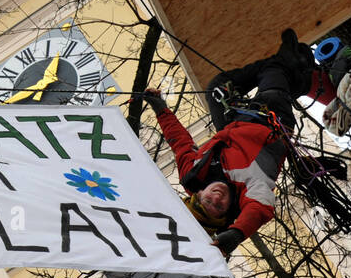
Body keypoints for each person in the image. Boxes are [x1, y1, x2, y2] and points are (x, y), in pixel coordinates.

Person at [133, 29, 318, 255]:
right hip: (271, 124)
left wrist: (160, 108)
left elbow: (180, 142)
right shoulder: (251, 192)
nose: (217, 197)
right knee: (274, 78)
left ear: (198, 195)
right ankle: (286, 68)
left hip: (234, 126)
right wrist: (237, 234)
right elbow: (259, 210)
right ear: (226, 212)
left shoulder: (192, 174)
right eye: (219, 207)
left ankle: (294, 76)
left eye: (208, 200)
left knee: (217, 88)